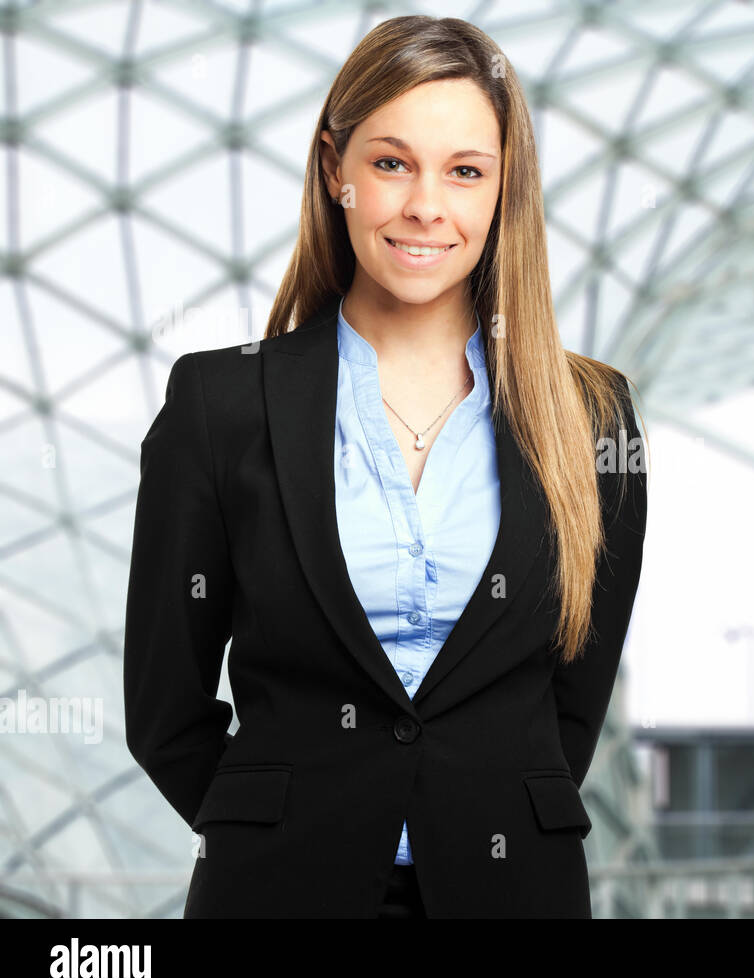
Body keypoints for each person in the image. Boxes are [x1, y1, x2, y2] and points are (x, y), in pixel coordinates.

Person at [123, 15, 648, 918]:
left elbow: (570, 711)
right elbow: (164, 713)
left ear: (502, 189)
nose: (426, 208)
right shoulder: (222, 406)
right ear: (337, 170)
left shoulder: (592, 419)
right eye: (393, 163)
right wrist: (274, 829)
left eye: (466, 171)